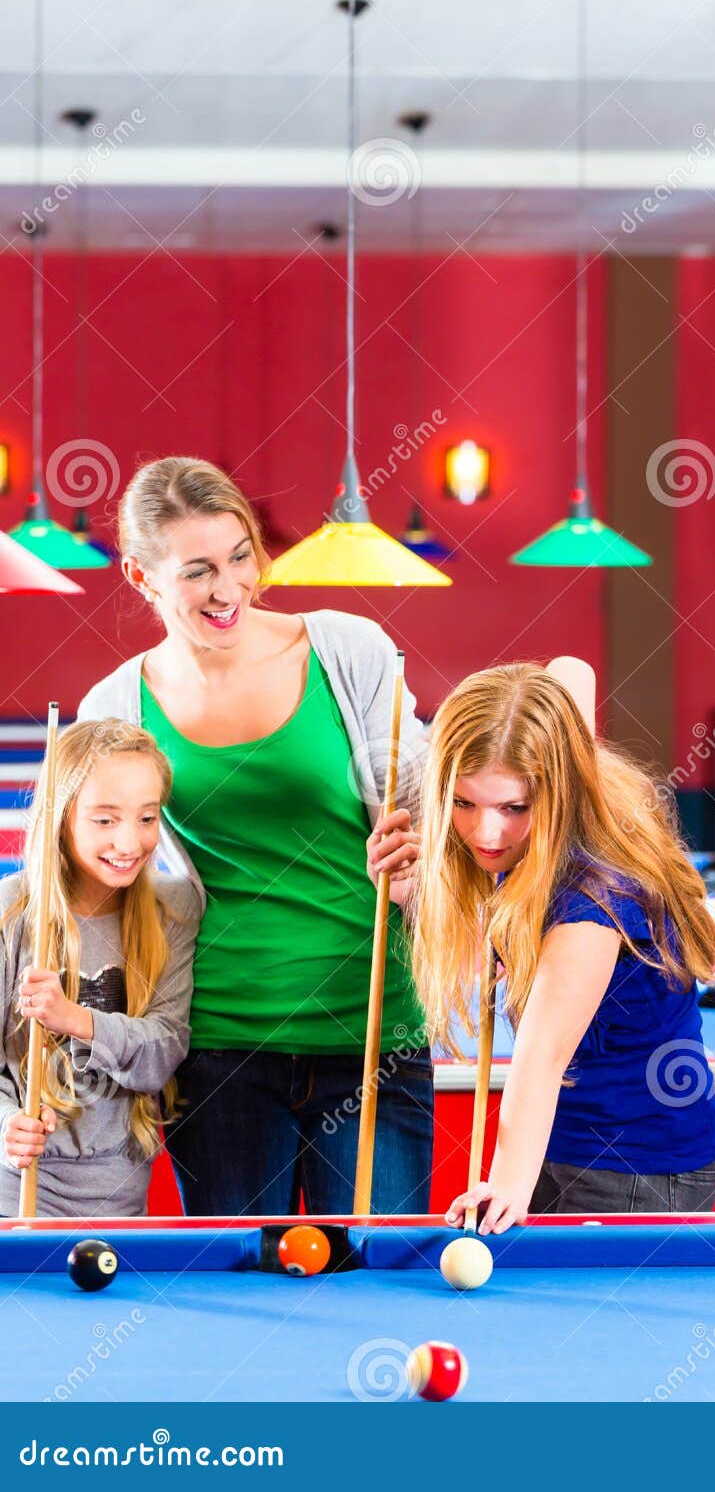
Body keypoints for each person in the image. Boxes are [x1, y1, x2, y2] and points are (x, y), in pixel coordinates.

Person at [78, 456, 432, 1217]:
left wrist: (422, 864)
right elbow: (80, 876)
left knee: (379, 1285)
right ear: (142, 578)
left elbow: (429, 808)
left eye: (241, 556)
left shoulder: (350, 651)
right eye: (199, 570)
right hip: (219, 1045)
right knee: (248, 1303)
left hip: (373, 1031)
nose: (230, 587)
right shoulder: (115, 706)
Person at [374, 662, 715, 1231]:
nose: (487, 834)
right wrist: (416, 897)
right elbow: (573, 673)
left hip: (637, 1166)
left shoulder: (593, 897)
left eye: (513, 807)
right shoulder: (559, 812)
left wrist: (507, 1184)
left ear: (560, 789)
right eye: (464, 804)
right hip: (569, 1137)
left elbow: (540, 1061)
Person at [0, 720, 199, 1217]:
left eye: (147, 818)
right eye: (105, 820)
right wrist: (7, 1123)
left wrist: (76, 1019)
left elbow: (162, 1052)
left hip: (117, 1198)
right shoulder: (11, 910)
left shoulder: (172, 910)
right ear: (62, 816)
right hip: (16, 1193)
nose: (130, 843)